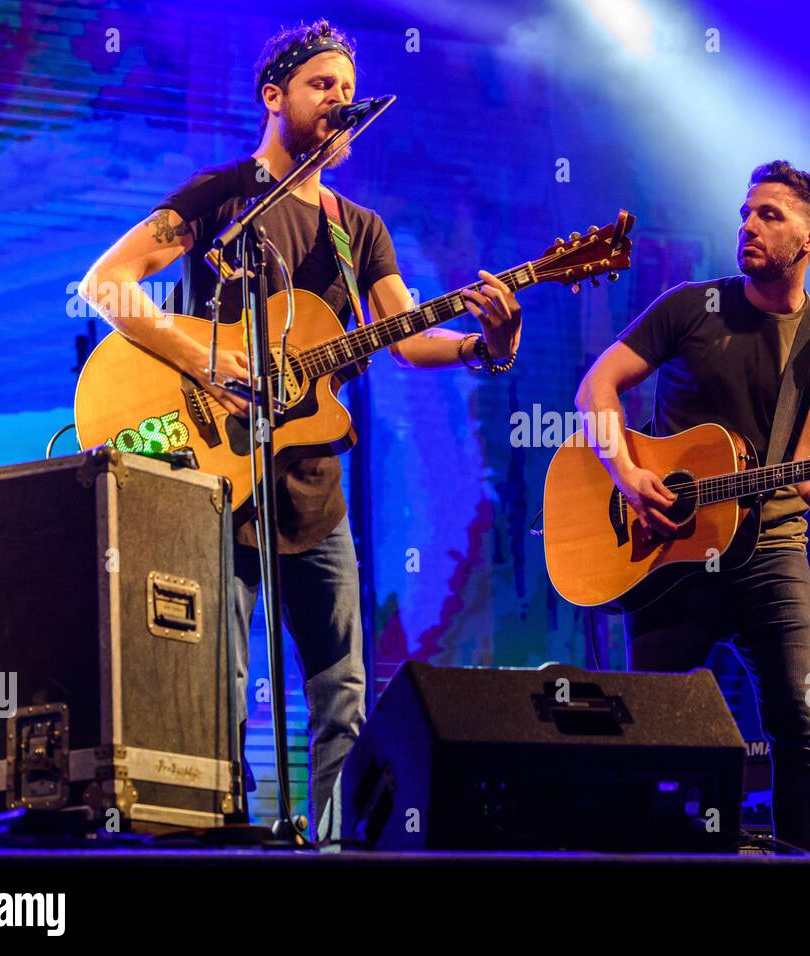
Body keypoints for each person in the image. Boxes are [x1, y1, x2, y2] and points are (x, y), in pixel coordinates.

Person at [78, 19, 523, 841]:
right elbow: (107, 285)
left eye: (349, 92)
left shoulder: (359, 232)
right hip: (215, 483)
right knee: (219, 680)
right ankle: (222, 838)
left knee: (343, 690)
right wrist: (208, 356)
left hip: (315, 492)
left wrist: (482, 345)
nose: (341, 103)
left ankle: (331, 844)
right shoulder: (220, 202)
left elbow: (404, 335)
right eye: (324, 86)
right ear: (273, 95)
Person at [573, 161, 810, 850]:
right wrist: (624, 474)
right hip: (669, 550)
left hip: (770, 553)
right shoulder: (689, 308)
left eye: (770, 215)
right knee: (653, 723)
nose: (749, 226)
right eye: (746, 212)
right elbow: (597, 390)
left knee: (800, 722)